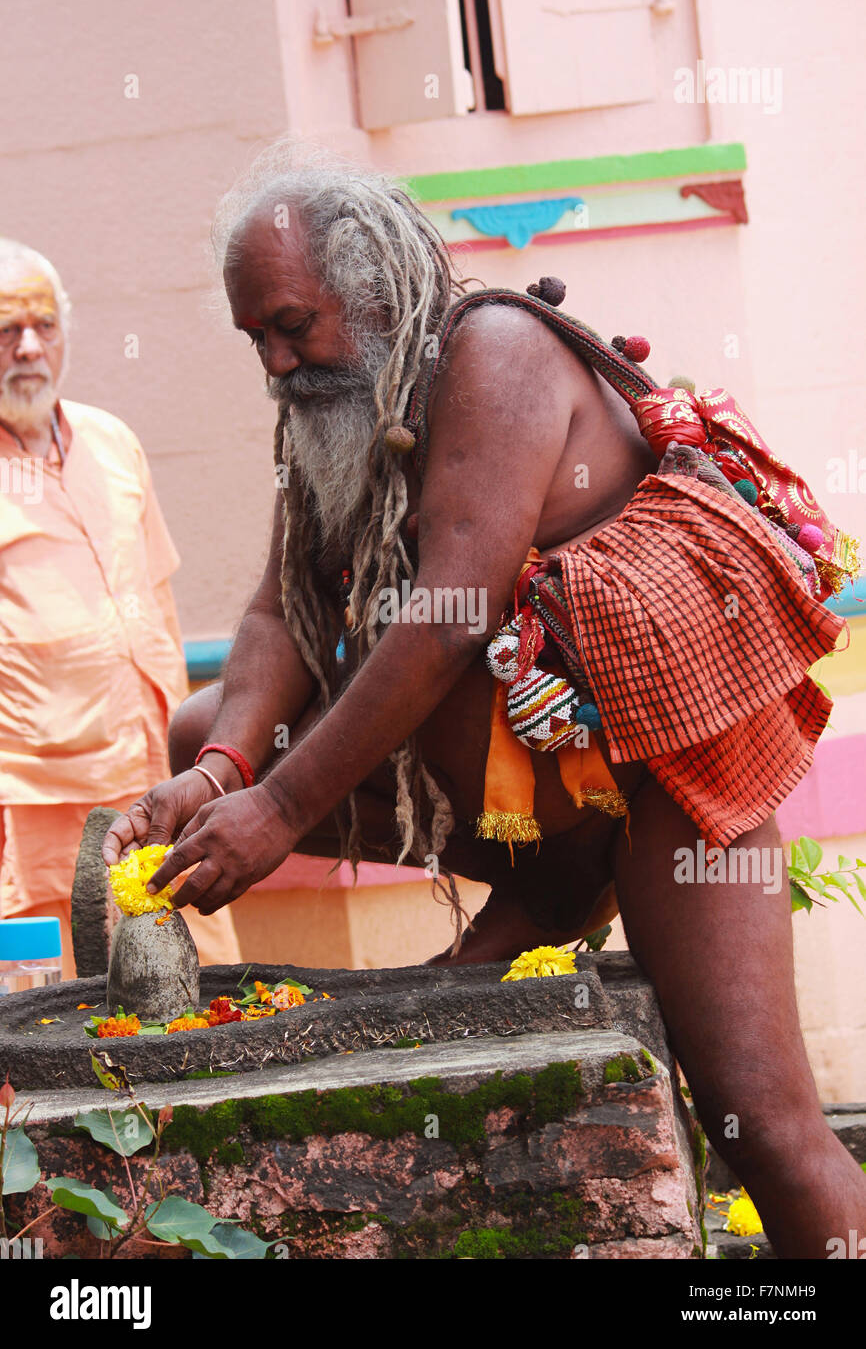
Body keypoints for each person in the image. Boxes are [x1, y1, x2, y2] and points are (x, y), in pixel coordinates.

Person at [102, 144, 865, 1257]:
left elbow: (452, 612)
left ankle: (576, 885)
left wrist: (271, 814)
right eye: (254, 337)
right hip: (538, 803)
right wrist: (223, 774)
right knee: (195, 730)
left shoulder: (493, 352)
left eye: (290, 325)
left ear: (371, 288)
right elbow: (276, 615)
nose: (273, 361)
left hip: (671, 787)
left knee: (765, 1128)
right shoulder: (334, 406)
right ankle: (552, 887)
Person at [0, 239, 240, 975]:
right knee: (54, 1011)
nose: (29, 347)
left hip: (156, 781)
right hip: (33, 802)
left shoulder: (113, 441)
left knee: (202, 982)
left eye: (43, 325)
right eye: (4, 330)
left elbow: (156, 603)